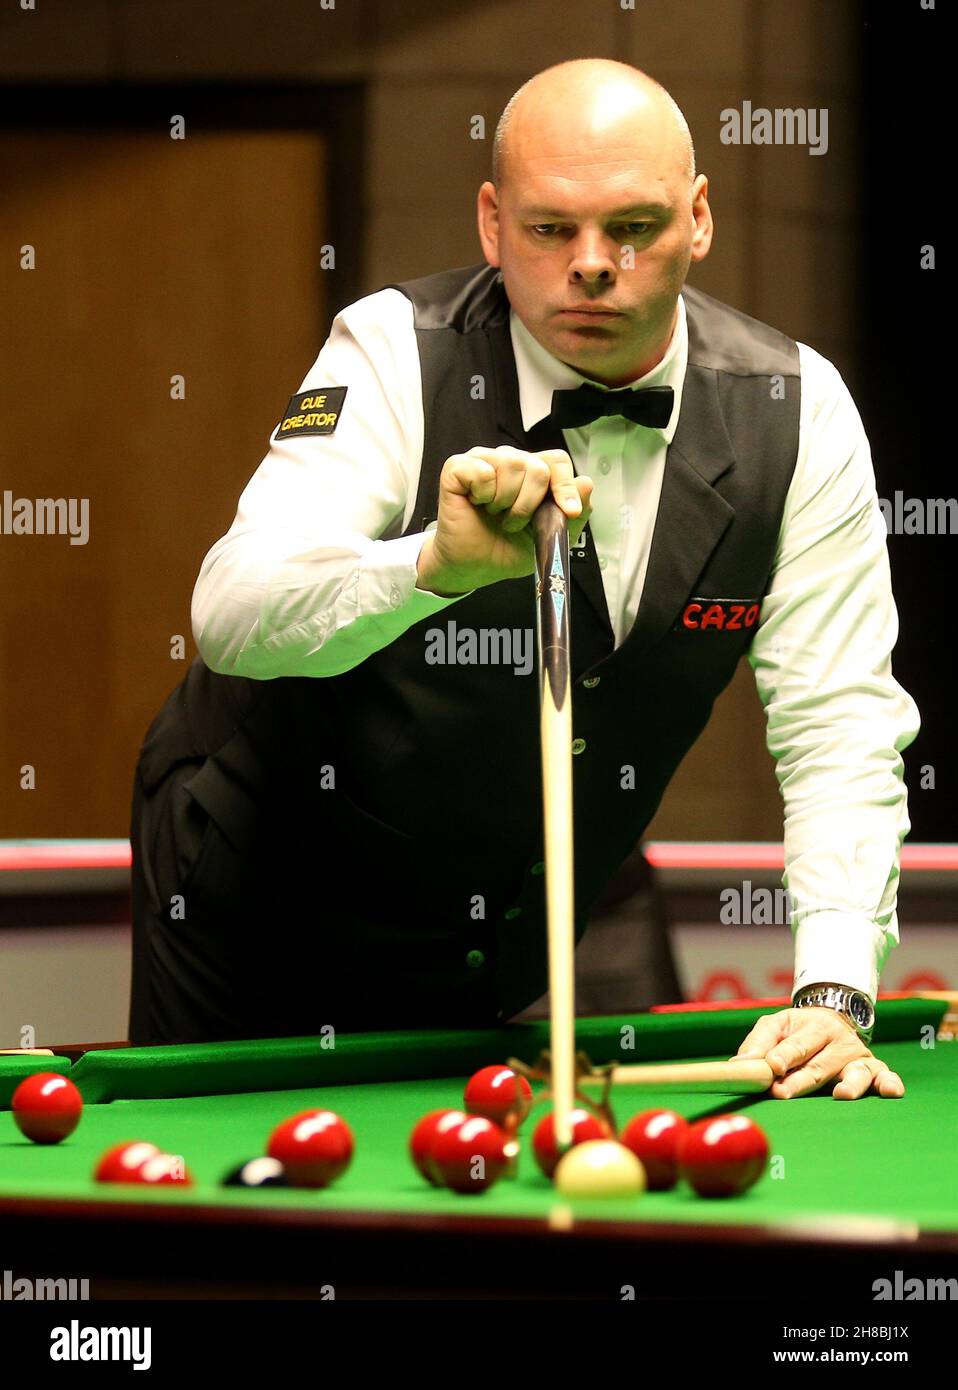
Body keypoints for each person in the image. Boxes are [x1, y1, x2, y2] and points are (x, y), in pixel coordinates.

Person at [130, 58, 917, 1101]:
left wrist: (834, 991)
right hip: (254, 900)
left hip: (494, 934)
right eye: (551, 230)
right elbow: (233, 612)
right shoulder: (390, 354)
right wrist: (427, 569)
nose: (593, 265)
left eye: (632, 226)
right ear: (493, 224)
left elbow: (837, 722)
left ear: (700, 219)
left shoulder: (797, 410)